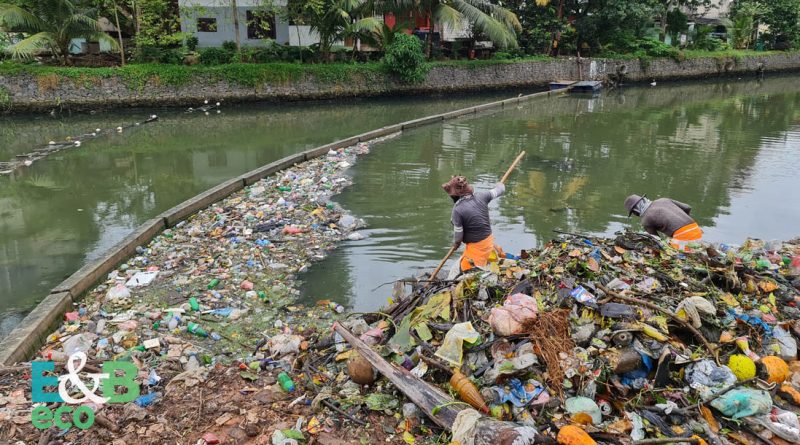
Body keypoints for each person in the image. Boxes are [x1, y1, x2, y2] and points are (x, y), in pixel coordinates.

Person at [442, 176, 505, 275]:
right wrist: (498, 184)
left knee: (466, 269)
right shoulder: (482, 196)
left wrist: (456, 245)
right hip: (488, 243)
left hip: (477, 249)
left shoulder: (457, 210)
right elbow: (501, 189)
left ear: (454, 195)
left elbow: (458, 237)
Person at [624, 194, 702, 251]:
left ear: (635, 211)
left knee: (670, 250)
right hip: (696, 229)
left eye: (633, 213)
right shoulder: (663, 200)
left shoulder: (645, 220)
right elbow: (688, 207)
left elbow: (657, 241)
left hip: (684, 237)